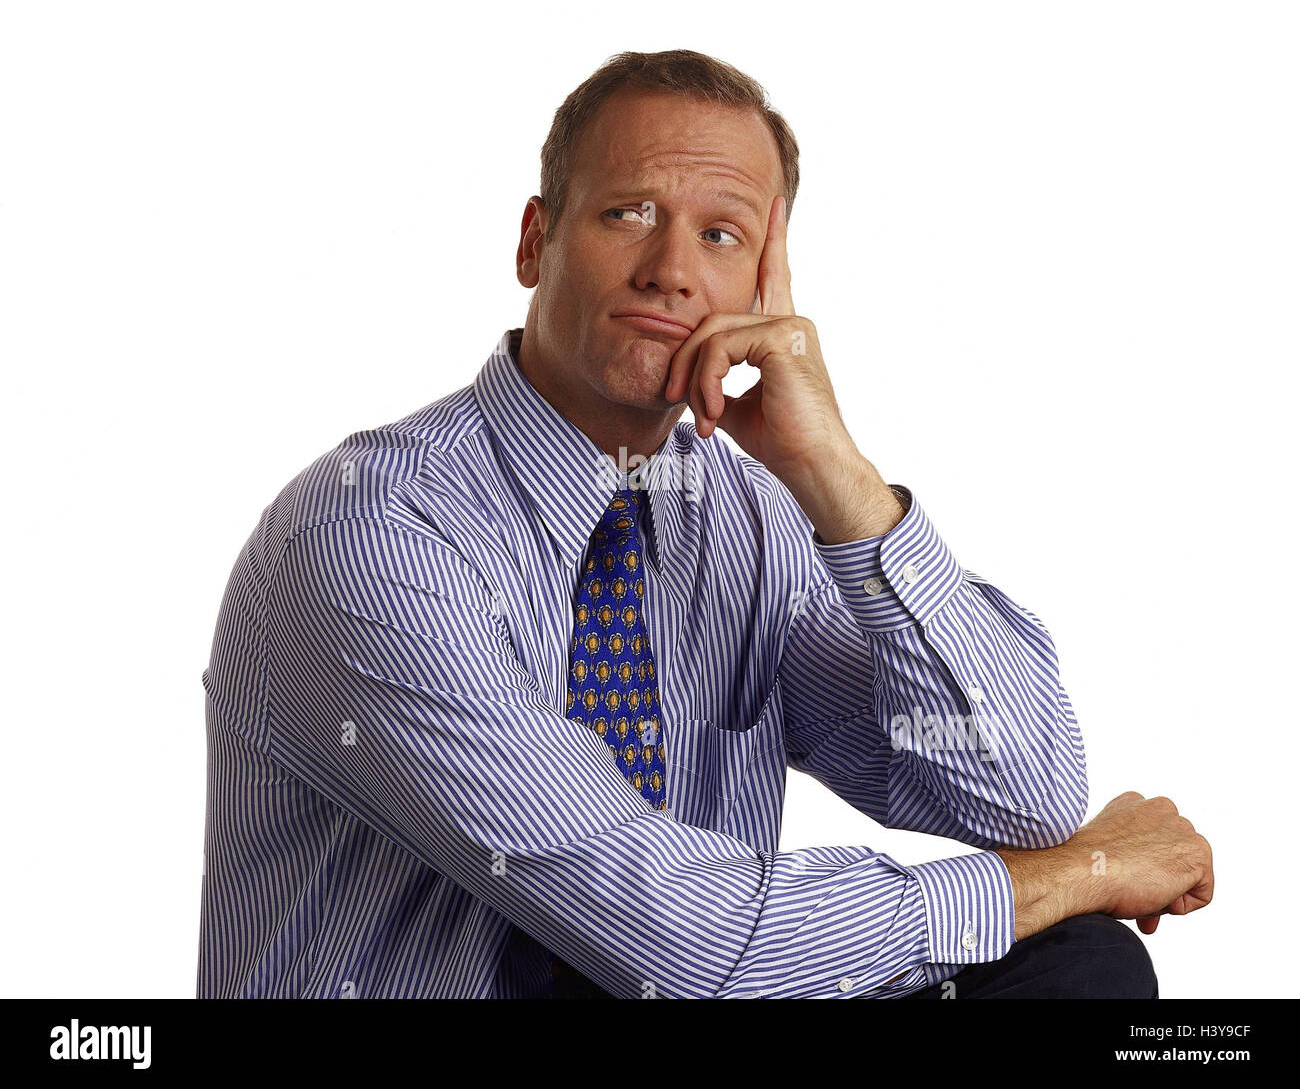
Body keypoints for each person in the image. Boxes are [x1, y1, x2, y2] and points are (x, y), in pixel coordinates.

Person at [197, 49, 1212, 999]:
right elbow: (667, 929)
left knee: (1079, 966)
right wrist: (1080, 867)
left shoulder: (751, 517)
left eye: (720, 235)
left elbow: (1020, 798)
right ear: (534, 240)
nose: (671, 270)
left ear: (764, 281)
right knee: (1042, 913)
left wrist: (842, 483)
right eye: (629, 214)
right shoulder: (376, 530)